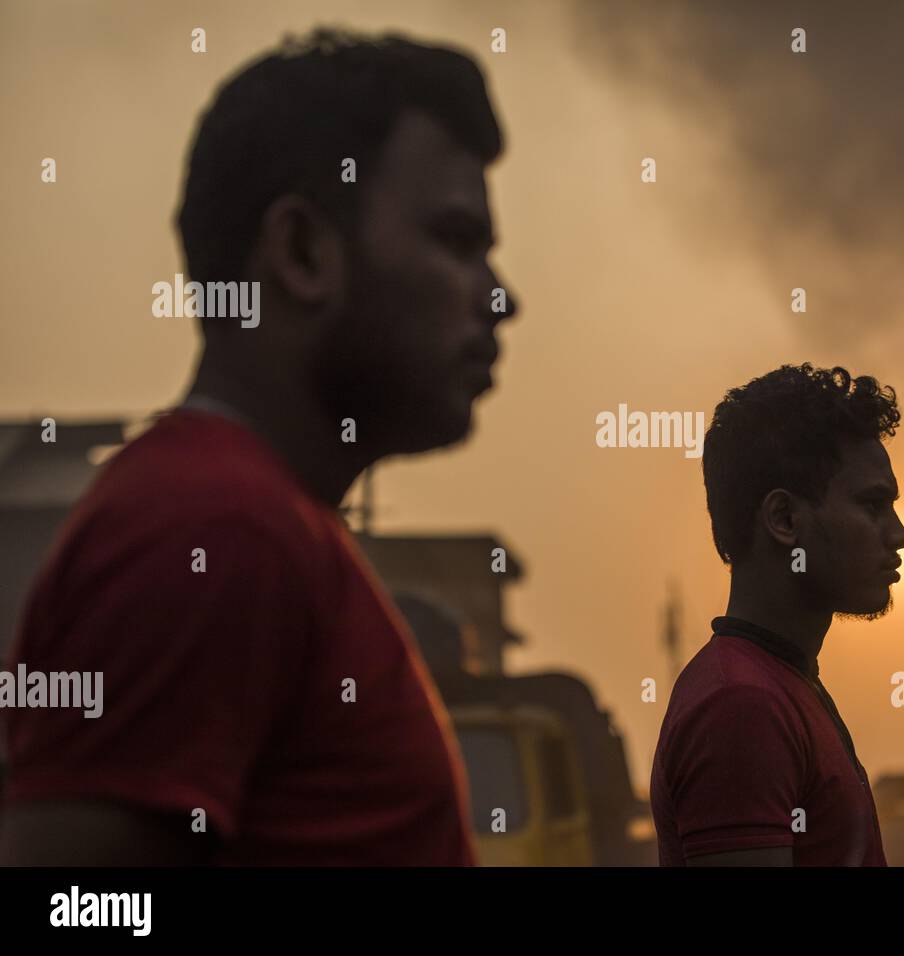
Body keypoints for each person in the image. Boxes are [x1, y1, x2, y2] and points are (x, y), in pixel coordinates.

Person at [0, 28, 518, 865]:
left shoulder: (263, 526)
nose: (502, 297)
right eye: (458, 241)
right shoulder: (209, 530)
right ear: (304, 253)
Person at [651, 364, 904, 866]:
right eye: (874, 505)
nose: (899, 535)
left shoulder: (779, 683)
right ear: (785, 520)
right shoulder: (742, 704)